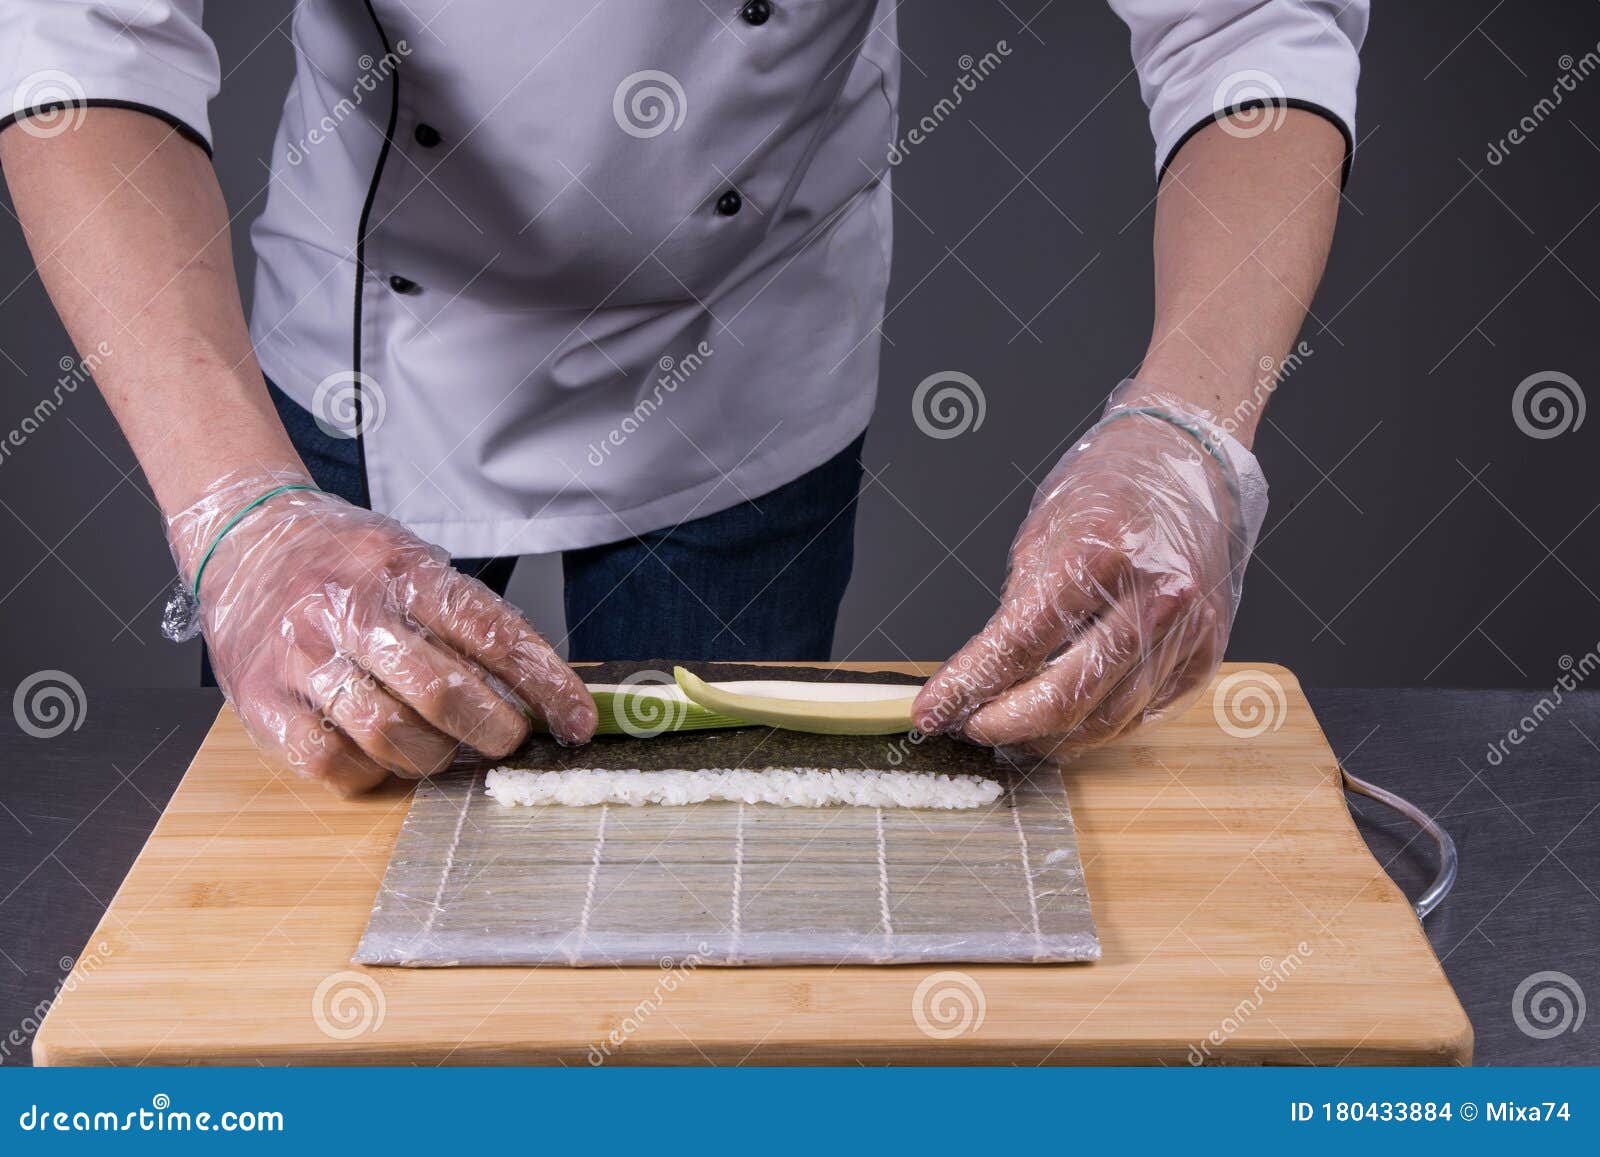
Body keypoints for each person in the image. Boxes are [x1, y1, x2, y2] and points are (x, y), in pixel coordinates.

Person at [0, 2, 1365, 794]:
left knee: (701, 927)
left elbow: (1251, 22)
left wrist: (1187, 426)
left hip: (741, 341)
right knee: (296, 961)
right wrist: (237, 514)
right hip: (375, 343)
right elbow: (83, 46)